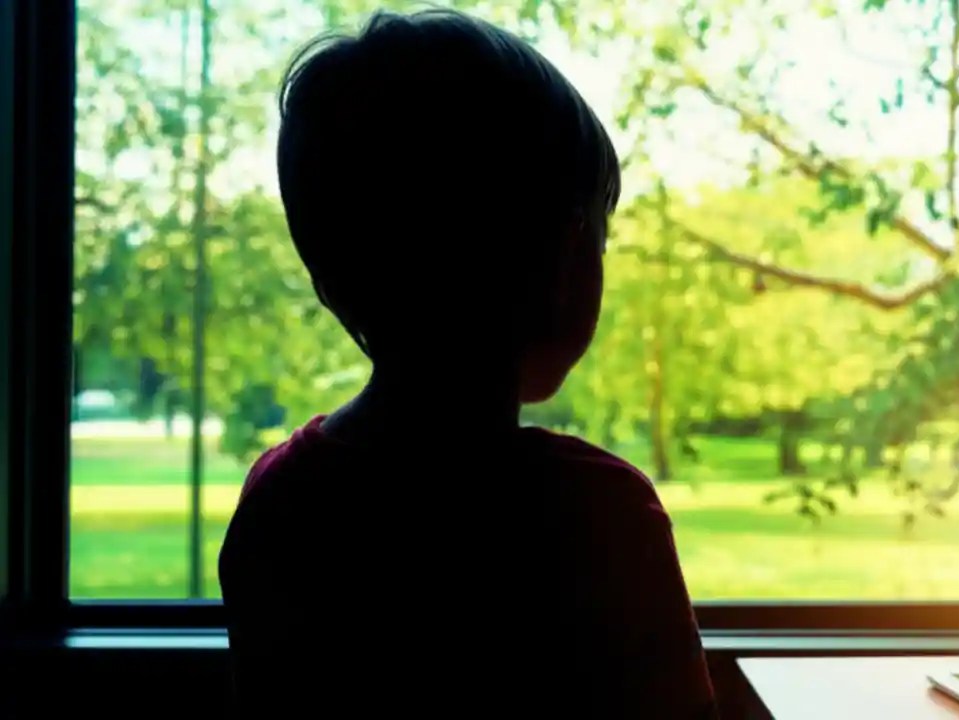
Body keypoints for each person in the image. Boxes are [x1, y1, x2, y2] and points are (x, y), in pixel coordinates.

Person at [217, 8, 716, 718]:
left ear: (329, 278)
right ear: (568, 259)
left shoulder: (279, 500)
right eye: (598, 237)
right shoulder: (601, 516)